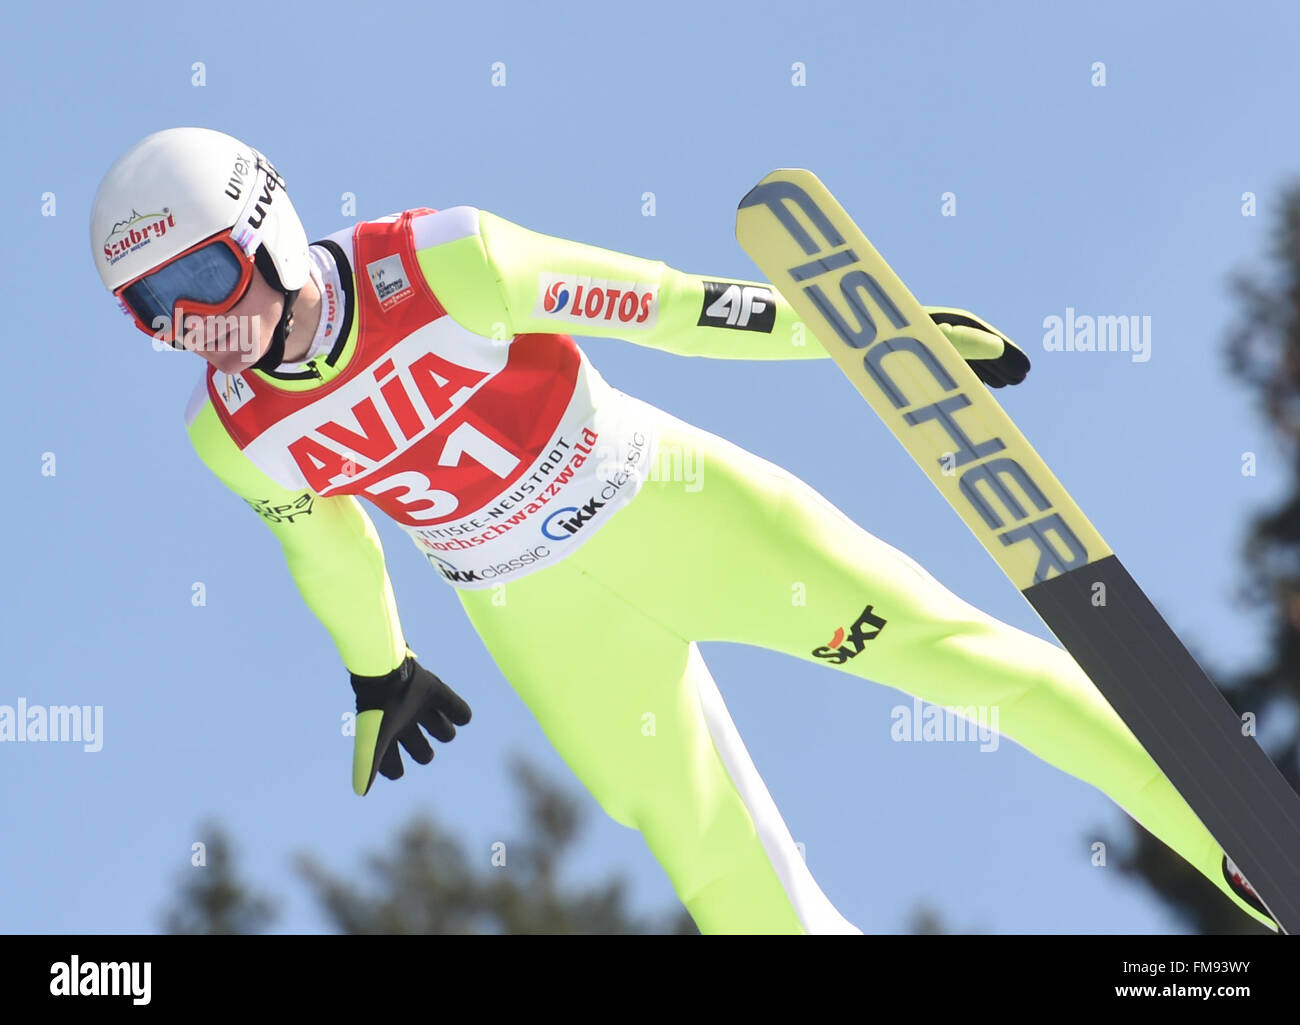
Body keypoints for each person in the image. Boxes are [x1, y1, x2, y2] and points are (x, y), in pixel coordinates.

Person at [89, 126, 1276, 934]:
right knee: (712, 861)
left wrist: (868, 334)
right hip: (536, 617)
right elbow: (328, 544)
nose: (186, 324)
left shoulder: (443, 262)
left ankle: (1237, 843)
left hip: (671, 505)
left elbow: (669, 305)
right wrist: (377, 669)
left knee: (949, 656)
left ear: (266, 226)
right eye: (148, 308)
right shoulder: (234, 434)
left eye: (194, 278)